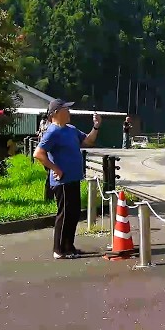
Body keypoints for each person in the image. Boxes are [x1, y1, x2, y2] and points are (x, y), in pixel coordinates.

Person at [33, 100, 101, 259]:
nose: (69, 112)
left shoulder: (71, 129)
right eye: (66, 109)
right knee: (64, 214)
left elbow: (88, 141)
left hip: (74, 178)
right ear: (56, 113)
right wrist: (56, 168)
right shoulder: (52, 132)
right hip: (62, 181)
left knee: (74, 213)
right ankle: (59, 250)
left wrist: (96, 126)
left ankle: (69, 246)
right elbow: (38, 153)